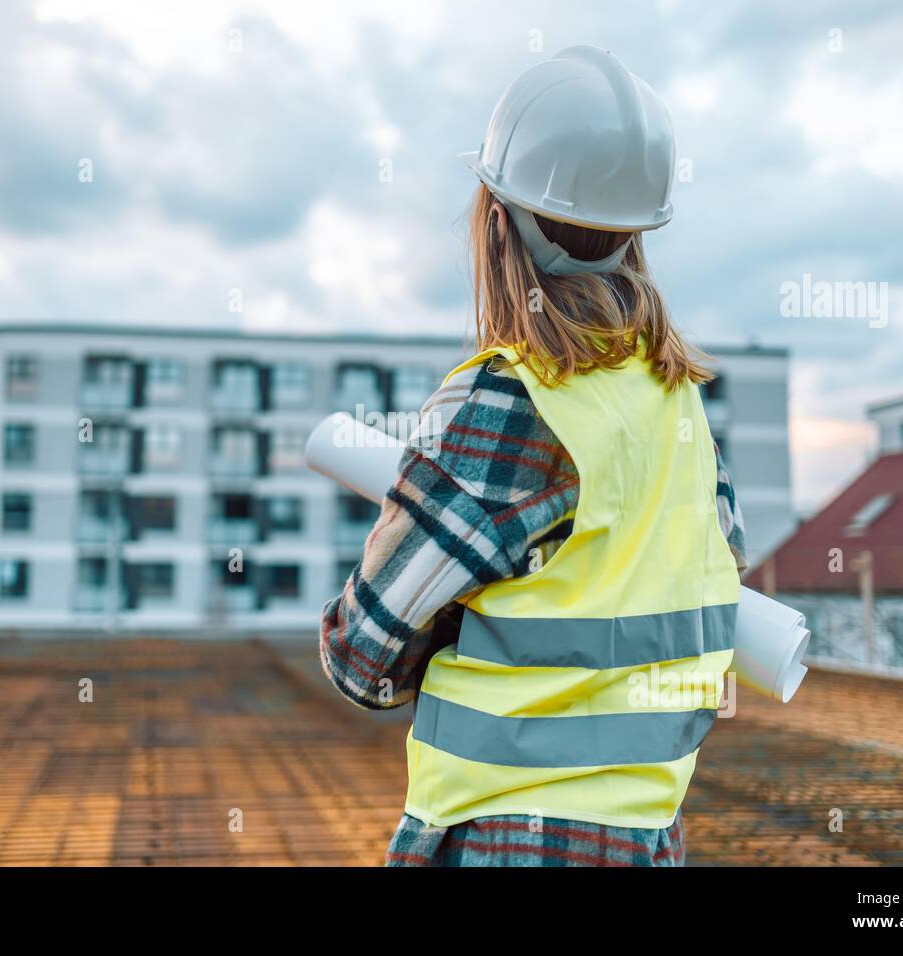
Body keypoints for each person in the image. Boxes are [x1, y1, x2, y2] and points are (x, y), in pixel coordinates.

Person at [319, 46, 749, 866]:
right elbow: (701, 585)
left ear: (494, 218)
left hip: (508, 839)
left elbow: (360, 657)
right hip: (647, 841)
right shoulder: (680, 406)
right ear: (638, 233)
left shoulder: (508, 404)